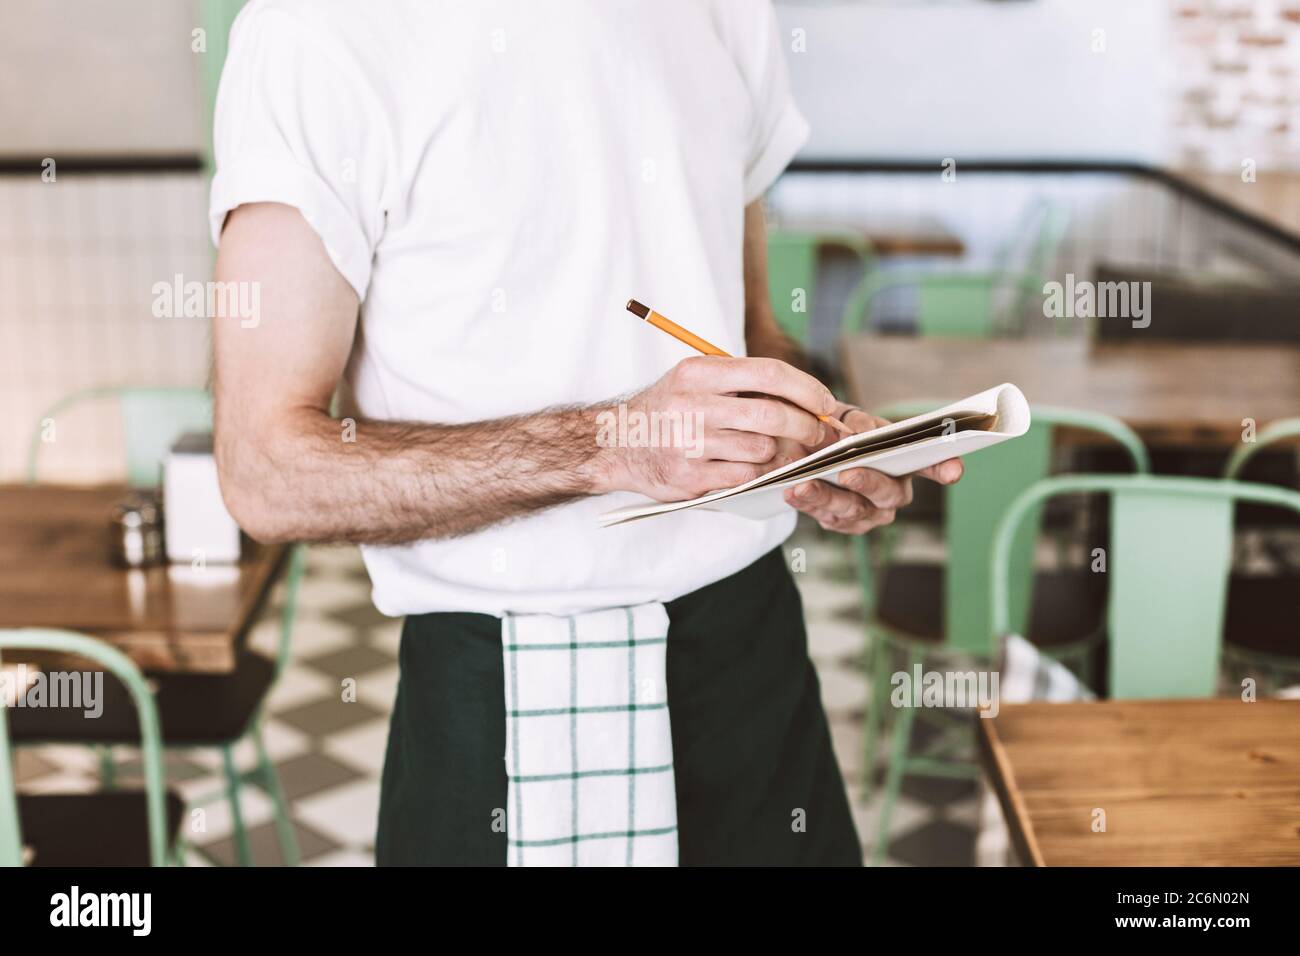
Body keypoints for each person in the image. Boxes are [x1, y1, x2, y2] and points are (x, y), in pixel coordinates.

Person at [209, 0, 961, 866]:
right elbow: (264, 469)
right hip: (504, 678)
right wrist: (613, 443)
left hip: (753, 643)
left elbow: (750, 329)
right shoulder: (314, 30)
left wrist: (818, 436)